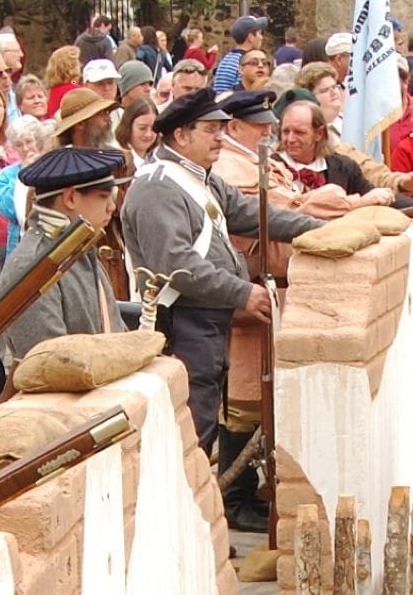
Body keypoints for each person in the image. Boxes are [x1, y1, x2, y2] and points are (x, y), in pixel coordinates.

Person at [120, 86, 321, 483]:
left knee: (201, 428)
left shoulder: (198, 177)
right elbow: (177, 265)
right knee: (187, 435)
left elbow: (252, 213)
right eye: (211, 130)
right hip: (181, 322)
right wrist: (241, 291)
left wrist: (319, 230)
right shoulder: (159, 185)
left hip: (206, 321)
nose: (220, 138)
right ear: (181, 135)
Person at [0, 146, 134, 372]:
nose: (111, 207)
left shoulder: (78, 248)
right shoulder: (34, 264)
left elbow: (112, 331)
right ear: (70, 198)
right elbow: (50, 363)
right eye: (103, 196)